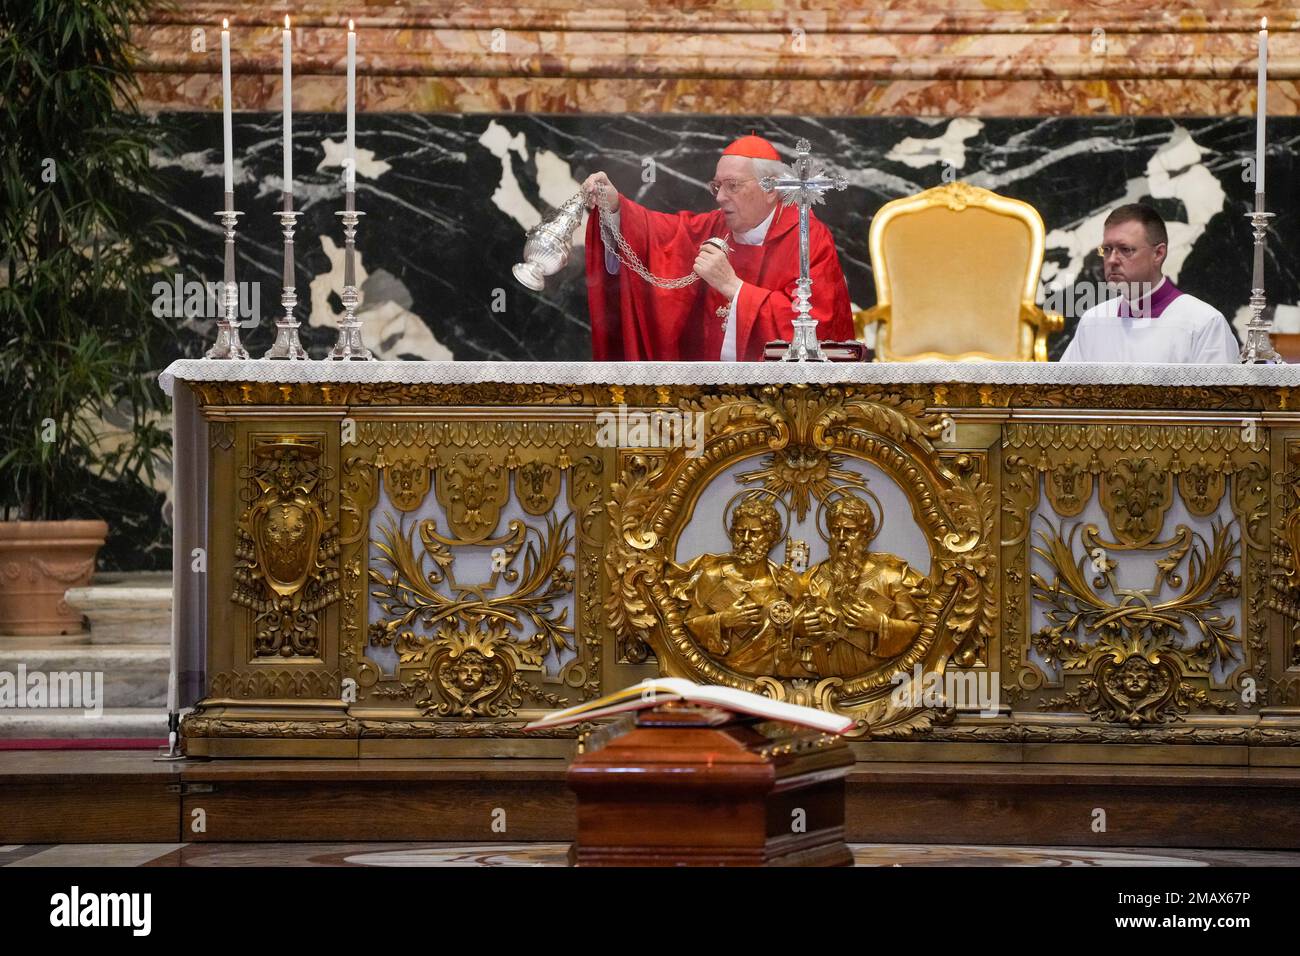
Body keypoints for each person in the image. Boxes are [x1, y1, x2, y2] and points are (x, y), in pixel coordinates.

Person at [582, 134, 854, 361]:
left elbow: (817, 330)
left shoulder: (808, 239)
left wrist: (733, 288)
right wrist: (615, 205)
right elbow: (663, 235)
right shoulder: (717, 225)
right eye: (717, 186)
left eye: (733, 186)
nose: (721, 197)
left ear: (771, 190)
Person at [1060, 203, 1239, 363]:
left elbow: (1219, 398)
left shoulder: (1204, 324)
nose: (1111, 260)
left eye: (1125, 249)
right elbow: (1062, 394)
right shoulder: (1092, 323)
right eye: (1107, 250)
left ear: (1158, 253)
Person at [667, 497, 805, 676]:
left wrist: (800, 596)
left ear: (770, 538)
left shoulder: (780, 585)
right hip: (722, 671)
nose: (746, 540)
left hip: (770, 671)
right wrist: (724, 621)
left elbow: (798, 636)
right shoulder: (713, 576)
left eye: (754, 534)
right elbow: (690, 624)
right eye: (740, 532)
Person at [801, 495, 929, 677]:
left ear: (866, 535)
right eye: (836, 531)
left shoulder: (891, 577)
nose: (841, 538)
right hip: (822, 669)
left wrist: (879, 623)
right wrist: (803, 625)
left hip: (873, 674)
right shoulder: (814, 577)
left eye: (850, 531)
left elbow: (916, 629)